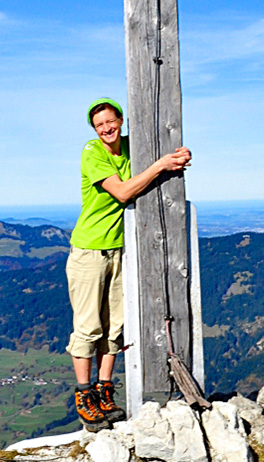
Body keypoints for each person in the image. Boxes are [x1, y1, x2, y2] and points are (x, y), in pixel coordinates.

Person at [66, 98, 191, 431]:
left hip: (119, 249)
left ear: (121, 120)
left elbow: (160, 146)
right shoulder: (93, 152)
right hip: (89, 250)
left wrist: (179, 156)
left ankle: (105, 390)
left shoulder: (131, 146)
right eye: (99, 125)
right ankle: (84, 396)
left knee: (115, 326)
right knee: (88, 327)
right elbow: (122, 193)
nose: (106, 129)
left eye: (111, 122)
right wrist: (162, 165)